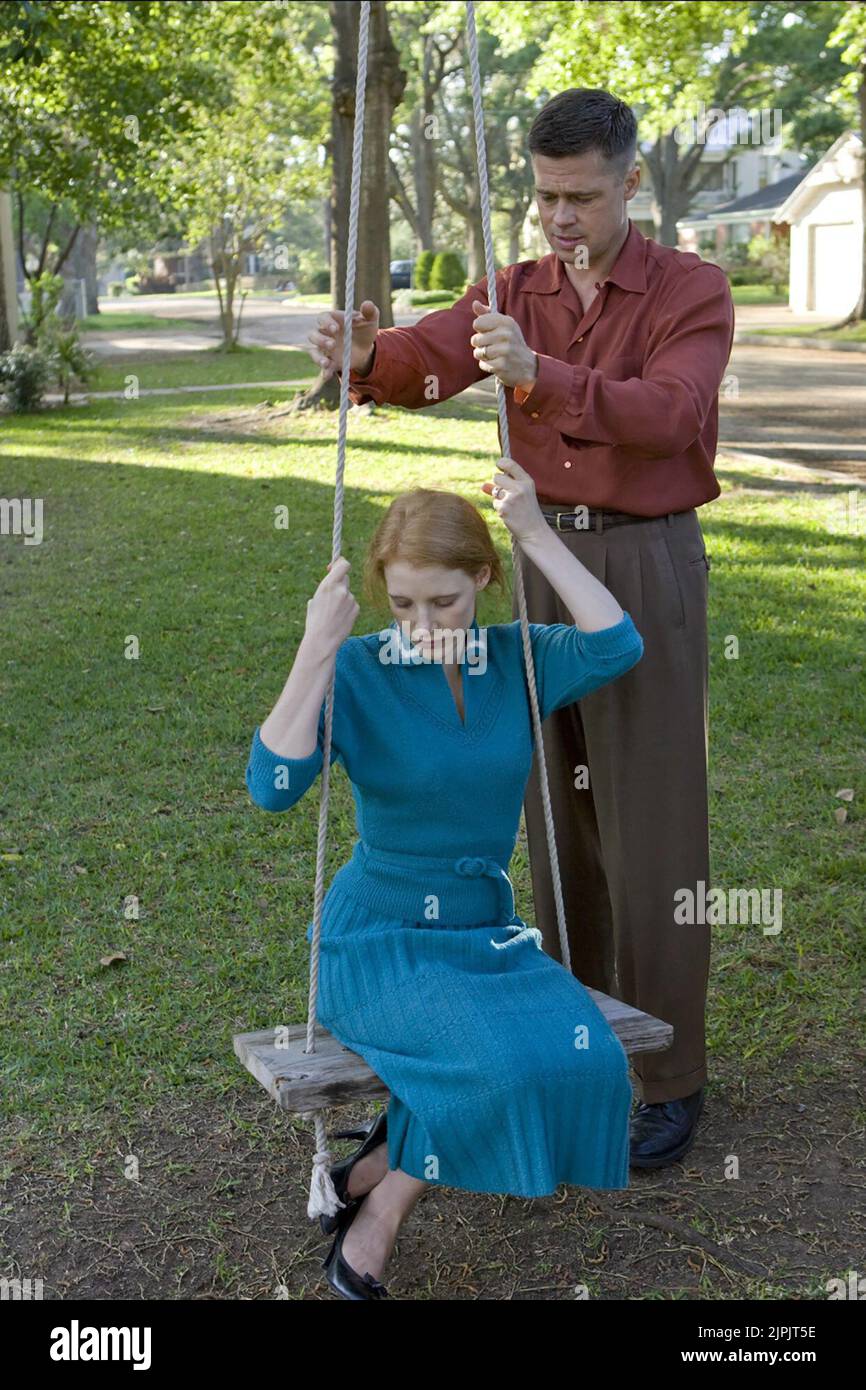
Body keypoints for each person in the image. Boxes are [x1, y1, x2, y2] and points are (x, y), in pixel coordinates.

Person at [305, 87, 735, 1172]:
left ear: (628, 183)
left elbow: (672, 413)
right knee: (555, 820)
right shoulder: (513, 288)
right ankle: (583, 1033)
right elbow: (433, 360)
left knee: (650, 825)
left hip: (640, 556)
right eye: (543, 196)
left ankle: (667, 1073)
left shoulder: (690, 289)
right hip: (535, 556)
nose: (558, 218)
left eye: (579, 197)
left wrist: (543, 375)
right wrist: (367, 357)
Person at [245, 463, 644, 1299]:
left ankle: (384, 1162)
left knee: (585, 1062)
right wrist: (318, 644)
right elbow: (272, 787)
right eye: (402, 604)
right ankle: (384, 1209)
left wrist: (534, 529)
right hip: (378, 939)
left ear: (484, 580)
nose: (422, 626)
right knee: (497, 1067)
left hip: (483, 937)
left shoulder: (521, 660)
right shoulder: (357, 670)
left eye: (444, 602)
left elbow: (618, 643)